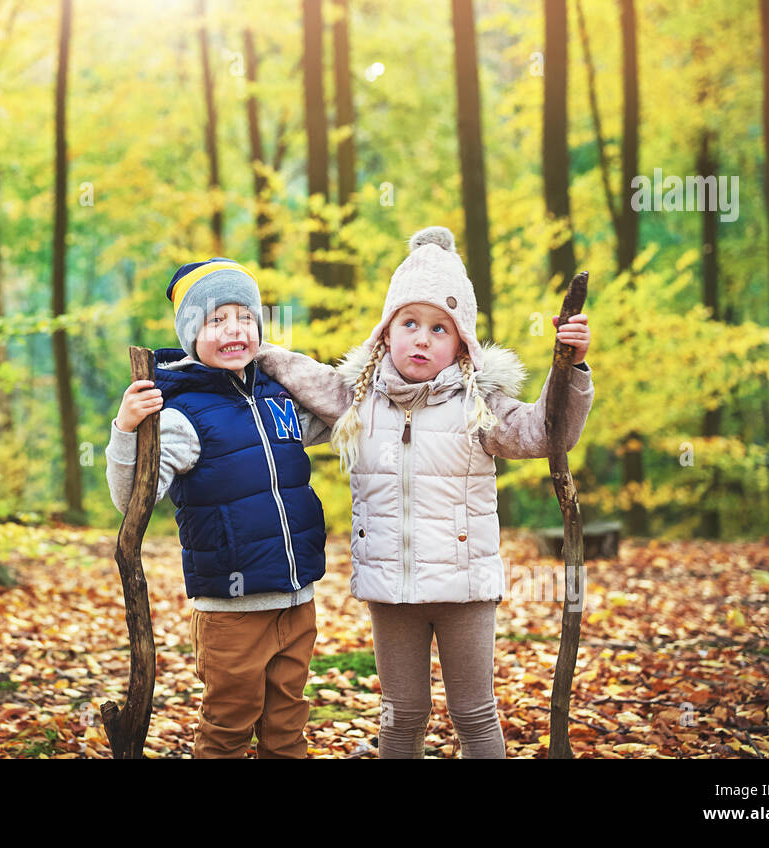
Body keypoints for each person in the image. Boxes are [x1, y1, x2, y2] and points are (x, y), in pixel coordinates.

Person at [254, 226, 594, 758]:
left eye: (440, 328)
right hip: (391, 589)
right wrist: (256, 349)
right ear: (386, 332)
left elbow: (544, 433)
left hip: (465, 588)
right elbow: (305, 376)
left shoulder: (480, 404)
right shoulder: (359, 399)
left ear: (462, 342)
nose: (422, 338)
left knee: (475, 713)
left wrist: (569, 368)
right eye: (409, 323)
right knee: (401, 715)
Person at [105, 257, 336, 758]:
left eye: (246, 318)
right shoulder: (183, 416)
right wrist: (125, 431)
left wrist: (289, 365)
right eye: (216, 320)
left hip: (297, 599)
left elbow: (342, 415)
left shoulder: (279, 398)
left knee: (288, 724)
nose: (235, 329)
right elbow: (131, 500)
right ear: (191, 334)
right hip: (232, 610)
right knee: (228, 726)